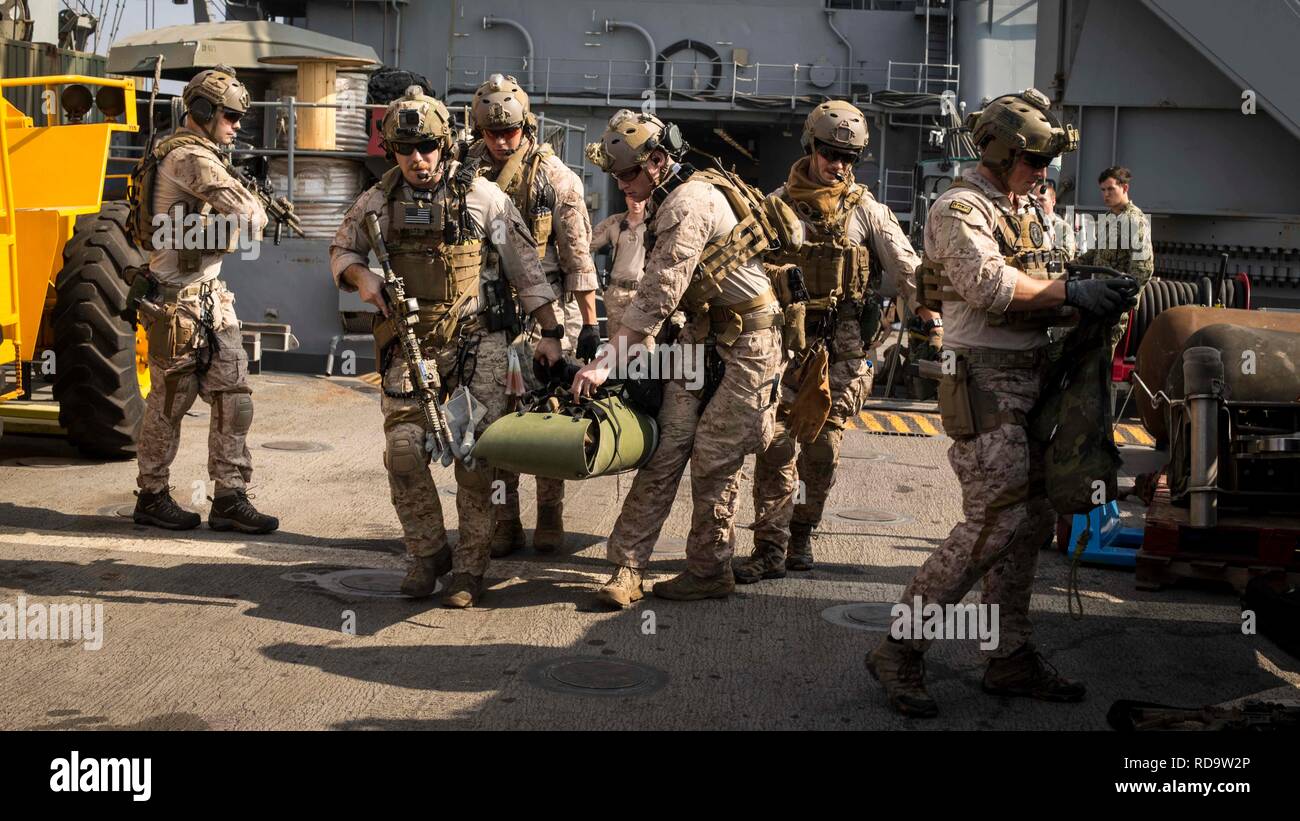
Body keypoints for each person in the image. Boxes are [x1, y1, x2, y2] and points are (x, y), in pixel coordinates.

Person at [865, 88, 1135, 717]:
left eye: (1046, 164)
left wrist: (1088, 291)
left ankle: (1008, 654)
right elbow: (989, 286)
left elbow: (1047, 281)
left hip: (1033, 377)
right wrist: (1069, 289)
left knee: (1031, 522)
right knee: (997, 518)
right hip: (983, 379)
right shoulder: (960, 209)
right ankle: (899, 647)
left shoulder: (1026, 208)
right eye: (1032, 161)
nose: (1043, 175)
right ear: (1001, 151)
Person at [329, 87, 562, 607]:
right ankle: (427, 553)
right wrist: (360, 275)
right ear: (391, 151)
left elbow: (527, 271)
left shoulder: (484, 197)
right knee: (404, 452)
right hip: (407, 344)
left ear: (445, 145)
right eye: (407, 149)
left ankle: (469, 570)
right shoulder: (376, 201)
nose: (419, 159)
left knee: (474, 458)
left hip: (476, 344)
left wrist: (552, 333)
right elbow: (341, 249)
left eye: (428, 146)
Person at [572, 109, 784, 608]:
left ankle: (710, 569)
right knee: (666, 448)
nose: (622, 184)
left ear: (660, 161)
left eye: (628, 174)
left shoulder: (688, 204)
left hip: (751, 344)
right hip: (701, 337)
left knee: (714, 458)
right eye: (617, 176)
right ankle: (627, 568)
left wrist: (606, 361)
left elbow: (660, 292)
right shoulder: (673, 194)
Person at [736, 100, 938, 581]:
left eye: (850, 158)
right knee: (776, 445)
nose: (839, 166)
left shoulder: (866, 210)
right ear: (811, 147)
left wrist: (937, 316)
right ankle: (769, 547)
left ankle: (802, 534)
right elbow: (740, 267)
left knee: (823, 449)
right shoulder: (775, 205)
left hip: (844, 349)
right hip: (785, 345)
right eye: (831, 153)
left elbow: (908, 271)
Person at [130, 66, 277, 534]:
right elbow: (250, 217)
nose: (236, 125)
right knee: (169, 405)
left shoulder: (203, 154)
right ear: (201, 112)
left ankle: (230, 497)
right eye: (229, 116)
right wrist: (254, 208)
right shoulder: (190, 158)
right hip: (178, 305)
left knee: (235, 399)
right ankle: (152, 495)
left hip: (211, 298)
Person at [463, 74, 599, 558]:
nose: (502, 141)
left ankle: (549, 514)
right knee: (495, 422)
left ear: (528, 127)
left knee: (546, 417)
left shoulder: (557, 180)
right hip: (490, 314)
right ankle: (504, 520)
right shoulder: (464, 176)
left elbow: (579, 257)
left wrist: (587, 326)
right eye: (492, 132)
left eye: (511, 132)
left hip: (549, 314)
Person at [1080, 166, 1154, 354]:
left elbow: (1144, 266)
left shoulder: (1134, 220)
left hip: (1114, 302)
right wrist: (1072, 264)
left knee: (1103, 355)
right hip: (1098, 297)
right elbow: (1096, 253)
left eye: (1111, 189)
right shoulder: (1108, 218)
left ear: (1125, 188)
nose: (1106, 194)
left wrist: (1125, 300)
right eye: (1103, 190)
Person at [590, 192, 650, 337]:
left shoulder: (654, 223)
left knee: (645, 346)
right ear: (626, 199)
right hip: (617, 293)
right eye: (632, 198)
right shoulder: (614, 222)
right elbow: (586, 245)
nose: (636, 202)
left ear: (647, 199)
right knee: (616, 345)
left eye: (640, 198)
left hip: (643, 293)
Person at [1038, 179, 1076, 261]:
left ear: (1053, 202)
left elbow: (1066, 258)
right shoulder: (1027, 224)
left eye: (1042, 200)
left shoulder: (1063, 228)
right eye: (1034, 200)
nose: (1037, 204)